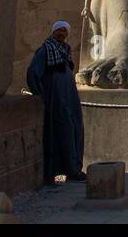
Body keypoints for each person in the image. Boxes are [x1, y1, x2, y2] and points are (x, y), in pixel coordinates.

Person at [26, 20, 86, 186]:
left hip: (69, 100)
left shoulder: (65, 51)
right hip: (55, 102)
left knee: (74, 131)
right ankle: (52, 173)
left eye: (64, 31)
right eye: (59, 30)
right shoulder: (46, 50)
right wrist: (40, 95)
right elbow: (32, 73)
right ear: (53, 32)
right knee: (57, 134)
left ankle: (73, 170)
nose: (62, 33)